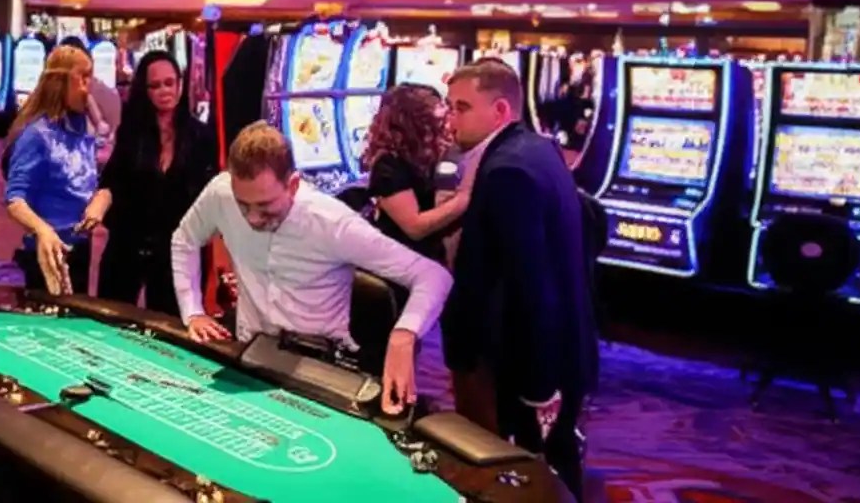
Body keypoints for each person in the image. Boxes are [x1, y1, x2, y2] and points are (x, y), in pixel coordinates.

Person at [170, 121, 453, 415]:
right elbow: (184, 240)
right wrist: (193, 311)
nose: (252, 218)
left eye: (265, 206)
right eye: (243, 205)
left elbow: (433, 276)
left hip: (320, 370)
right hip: (250, 353)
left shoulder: (333, 223)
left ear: (292, 185)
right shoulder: (221, 193)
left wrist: (404, 335)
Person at [442, 59, 598, 500]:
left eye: (462, 107)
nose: (451, 120)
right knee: (558, 460)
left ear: (501, 112)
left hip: (530, 355)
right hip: (561, 341)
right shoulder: (537, 147)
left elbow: (533, 285)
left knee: (532, 471)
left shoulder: (507, 170)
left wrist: (537, 386)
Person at [77, 51, 216, 317]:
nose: (164, 91)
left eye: (169, 82)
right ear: (145, 90)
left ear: (180, 84)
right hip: (128, 244)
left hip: (175, 249)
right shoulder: (132, 132)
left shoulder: (201, 135)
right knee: (111, 321)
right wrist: (98, 205)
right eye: (155, 85)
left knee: (170, 330)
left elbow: (209, 194)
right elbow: (112, 181)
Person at [361, 84, 471, 412]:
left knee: (411, 346)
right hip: (394, 274)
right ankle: (386, 408)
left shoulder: (419, 156)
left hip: (418, 270)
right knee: (391, 349)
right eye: (438, 112)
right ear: (412, 120)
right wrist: (465, 200)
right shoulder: (388, 165)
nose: (445, 117)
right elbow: (415, 224)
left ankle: (397, 403)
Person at [4, 45, 98, 295]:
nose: (88, 87)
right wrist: (43, 230)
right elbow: (14, 199)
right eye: (82, 78)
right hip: (48, 250)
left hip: (79, 247)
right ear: (60, 82)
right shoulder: (37, 135)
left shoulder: (81, 126)